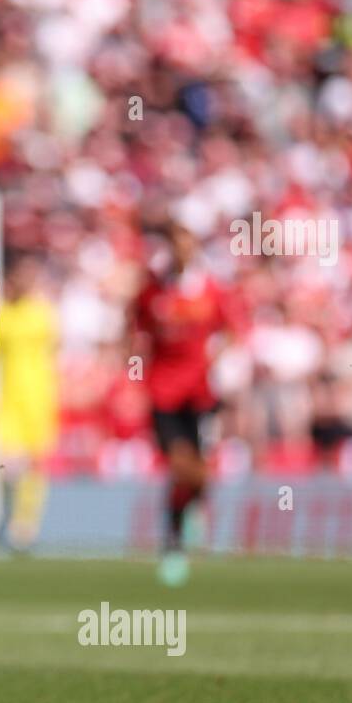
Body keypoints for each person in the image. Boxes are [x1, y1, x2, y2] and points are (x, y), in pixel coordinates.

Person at [129, 221, 234, 586]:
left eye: (188, 244)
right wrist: (132, 376)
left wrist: (219, 362)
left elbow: (230, 331)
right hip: (164, 393)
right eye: (176, 244)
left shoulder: (210, 291)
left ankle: (189, 515)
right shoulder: (153, 292)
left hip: (201, 394)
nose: (182, 251)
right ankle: (173, 544)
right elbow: (136, 333)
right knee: (179, 466)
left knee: (201, 474)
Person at [0, 256, 59, 553]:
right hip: (9, 402)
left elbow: (55, 354)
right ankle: (8, 516)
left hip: (40, 401)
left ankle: (25, 527)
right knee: (8, 466)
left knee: (35, 467)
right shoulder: (2, 313)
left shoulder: (43, 313)